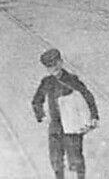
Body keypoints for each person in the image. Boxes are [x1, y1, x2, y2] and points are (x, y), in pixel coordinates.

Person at [30, 48, 100, 179]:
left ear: (61, 63)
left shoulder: (72, 80)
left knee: (76, 159)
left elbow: (88, 96)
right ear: (47, 68)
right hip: (56, 125)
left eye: (56, 64)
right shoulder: (46, 82)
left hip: (73, 124)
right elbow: (36, 100)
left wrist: (94, 116)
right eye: (50, 67)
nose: (53, 69)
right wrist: (41, 116)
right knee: (56, 159)